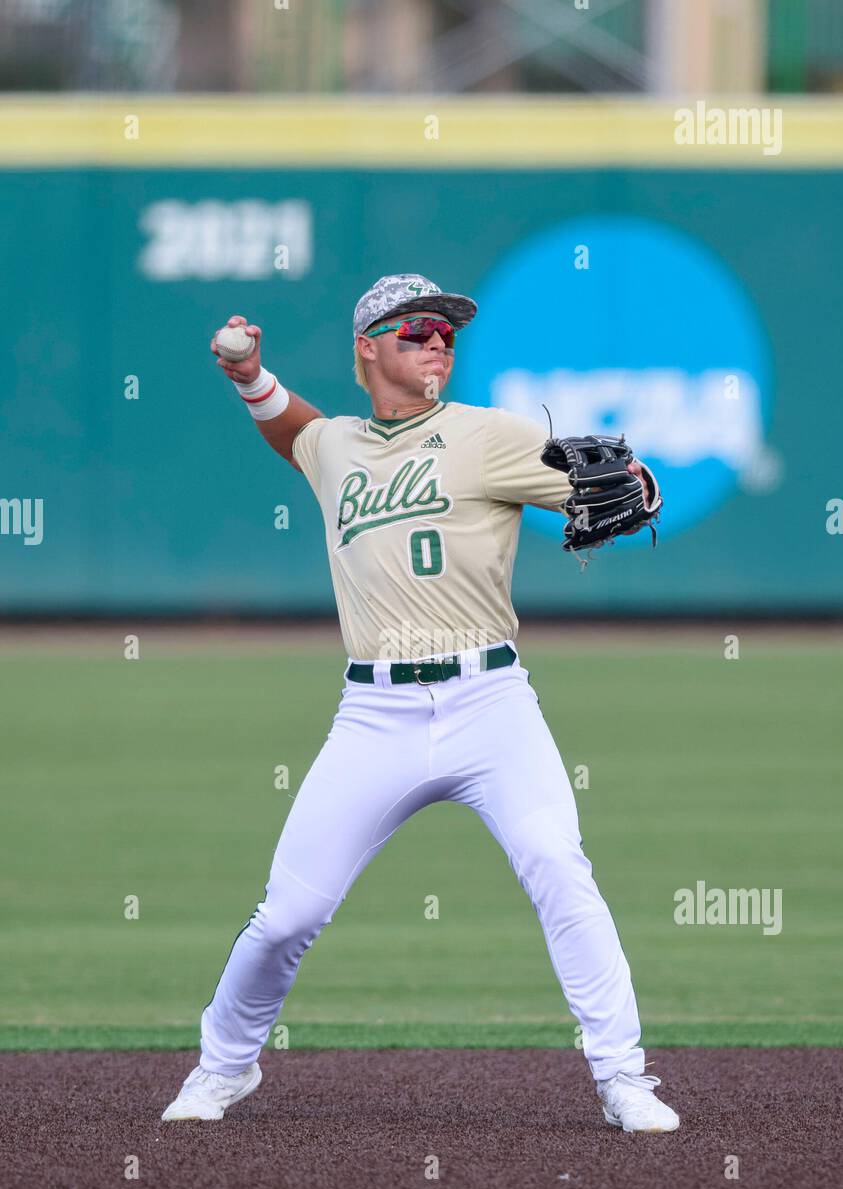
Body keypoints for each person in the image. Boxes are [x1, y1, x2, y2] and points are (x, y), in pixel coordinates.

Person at [161, 273, 679, 1134]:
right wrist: (247, 374)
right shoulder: (335, 446)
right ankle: (223, 1067)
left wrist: (640, 486)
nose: (438, 342)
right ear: (368, 346)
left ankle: (623, 1078)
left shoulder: (490, 436)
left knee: (558, 867)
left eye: (446, 332)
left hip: (490, 702)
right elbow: (294, 432)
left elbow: (616, 486)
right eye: (416, 331)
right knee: (288, 912)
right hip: (373, 716)